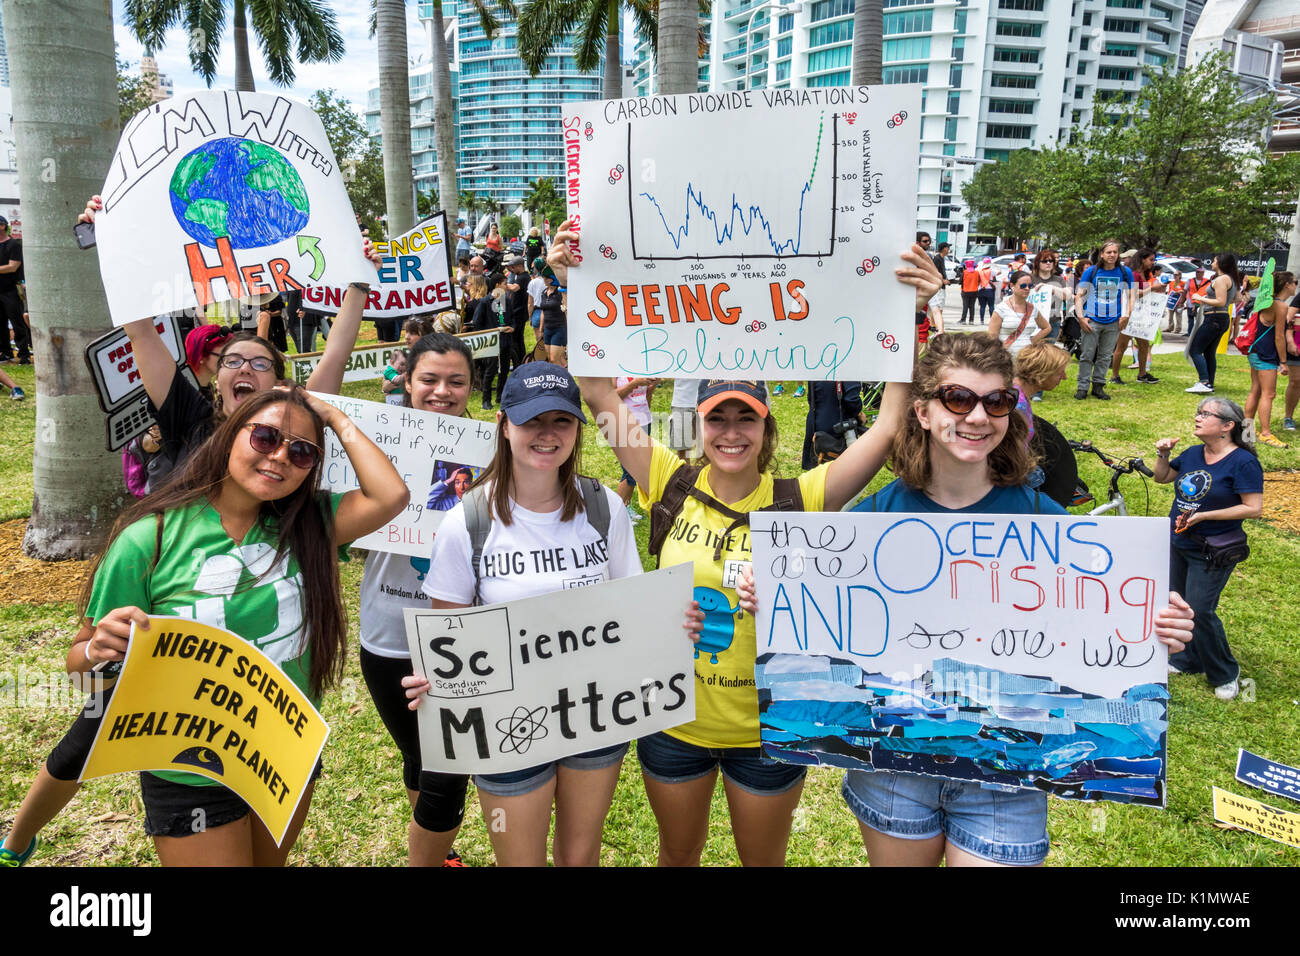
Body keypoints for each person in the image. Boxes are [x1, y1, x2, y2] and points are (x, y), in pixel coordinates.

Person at [562, 219, 943, 866]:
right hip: (672, 724)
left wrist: (911, 315)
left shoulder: (804, 497)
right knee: (676, 857)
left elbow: (886, 428)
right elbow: (597, 391)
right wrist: (576, 278)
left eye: (746, 417)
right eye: (718, 418)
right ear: (701, 425)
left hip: (765, 732)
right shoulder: (665, 478)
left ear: (766, 427)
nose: (731, 431)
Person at [738, 333, 1194, 867]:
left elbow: (1111, 616)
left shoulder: (1046, 521)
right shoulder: (873, 517)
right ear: (924, 412)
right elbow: (811, 593)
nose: (978, 416)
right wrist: (766, 587)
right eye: (959, 398)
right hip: (893, 766)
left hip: (1008, 773)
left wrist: (1161, 626)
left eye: (996, 401)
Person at [1, 387, 408, 867]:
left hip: (281, 749)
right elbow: (81, 675)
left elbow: (391, 494)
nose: (280, 457)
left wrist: (336, 418)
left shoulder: (309, 525)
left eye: (301, 452)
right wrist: (96, 653)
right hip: (187, 762)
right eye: (264, 437)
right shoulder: (148, 538)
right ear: (230, 436)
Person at [402, 363, 669, 867]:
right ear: (504, 424)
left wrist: (675, 625)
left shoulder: (604, 508)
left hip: (596, 714)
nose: (547, 435)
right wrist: (434, 682)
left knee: (580, 855)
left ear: (577, 430)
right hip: (506, 724)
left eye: (562, 421)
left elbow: (632, 609)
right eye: (532, 420)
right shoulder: (467, 521)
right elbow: (448, 639)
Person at [359, 333, 481, 867]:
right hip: (388, 632)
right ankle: (437, 854)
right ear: (405, 381)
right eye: (428, 379)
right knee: (422, 755)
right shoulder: (372, 444)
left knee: (451, 762)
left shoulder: (491, 447)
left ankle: (434, 854)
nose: (441, 391)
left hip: (461, 631)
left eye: (456, 381)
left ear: (472, 387)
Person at [1154, 397, 1261, 701]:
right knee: (1179, 605)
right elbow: (1162, 477)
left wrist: (1204, 515)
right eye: (1198, 412)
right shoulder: (1191, 454)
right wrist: (1164, 454)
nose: (1198, 417)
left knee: (1200, 610)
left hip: (1212, 548)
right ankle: (1188, 660)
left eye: (1206, 414)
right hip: (1179, 542)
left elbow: (1253, 508)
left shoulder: (1243, 462)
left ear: (1227, 426)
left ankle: (1226, 672)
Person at [1240, 270, 1295, 449]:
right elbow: (1279, 337)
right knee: (1268, 393)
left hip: (1256, 350)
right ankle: (1265, 433)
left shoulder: (1267, 301)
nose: (1296, 285)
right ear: (1287, 284)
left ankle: (1247, 430)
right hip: (1266, 353)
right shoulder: (1280, 306)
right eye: (1294, 282)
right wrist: (1284, 362)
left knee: (1256, 390)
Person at [1073, 240, 1132, 401]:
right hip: (1092, 319)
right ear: (1101, 254)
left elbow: (1131, 296)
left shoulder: (1125, 272)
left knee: (1106, 356)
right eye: (1108, 252)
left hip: (1113, 321)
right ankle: (1082, 387)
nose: (1112, 255)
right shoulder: (1091, 271)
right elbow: (1079, 295)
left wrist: (1126, 315)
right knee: (1087, 354)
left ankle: (1098, 386)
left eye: (1115, 252)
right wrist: (1080, 317)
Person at [1186, 253, 1241, 395]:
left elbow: (1221, 301)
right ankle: (1209, 382)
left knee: (1195, 350)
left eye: (1215, 260)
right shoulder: (1232, 279)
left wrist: (1200, 298)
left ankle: (1204, 382)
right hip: (1221, 318)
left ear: (1221, 263)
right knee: (1209, 353)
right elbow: (1237, 298)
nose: (1212, 262)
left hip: (1214, 318)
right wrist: (1209, 298)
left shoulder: (1222, 279)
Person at [1110, 248, 1160, 385]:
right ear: (1142, 259)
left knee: (1144, 345)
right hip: (1129, 314)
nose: (1152, 262)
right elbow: (1131, 295)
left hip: (1141, 314)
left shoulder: (1146, 274)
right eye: (1151, 259)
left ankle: (1142, 374)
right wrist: (1152, 289)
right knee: (1122, 345)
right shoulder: (1133, 274)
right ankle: (1114, 376)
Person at [614, 375, 659, 520]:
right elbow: (612, 395)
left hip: (644, 420)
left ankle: (625, 507)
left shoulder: (640, 365)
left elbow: (646, 397)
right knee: (630, 471)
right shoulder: (614, 367)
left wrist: (652, 385)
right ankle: (617, 513)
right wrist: (634, 383)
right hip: (624, 422)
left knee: (637, 468)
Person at [801, 380, 866, 470]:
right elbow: (852, 400)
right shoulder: (849, 366)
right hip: (839, 427)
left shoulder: (814, 366)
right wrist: (858, 413)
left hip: (816, 423)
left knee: (819, 477)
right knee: (848, 475)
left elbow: (811, 397)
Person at [988, 270, 1049, 357]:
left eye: (1030, 286)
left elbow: (1046, 328)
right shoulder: (1001, 309)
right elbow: (992, 337)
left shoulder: (1033, 309)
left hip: (1026, 358)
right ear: (1012, 286)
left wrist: (1031, 341)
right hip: (1006, 358)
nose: (1027, 288)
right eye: (1023, 285)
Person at [0, 216, 30, 364]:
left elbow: (13, 266)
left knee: (17, 322)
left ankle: (23, 354)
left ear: (2, 226)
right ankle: (6, 353)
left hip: (11, 290)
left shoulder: (14, 245)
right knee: (0, 324)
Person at [501, 254, 530, 379]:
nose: (511, 269)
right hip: (517, 312)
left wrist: (501, 285)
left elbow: (514, 288)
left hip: (519, 312)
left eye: (513, 267)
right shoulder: (519, 276)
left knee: (516, 339)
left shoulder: (523, 277)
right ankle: (520, 362)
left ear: (519, 266)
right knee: (518, 339)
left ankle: (519, 363)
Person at [535, 265, 566, 367]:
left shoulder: (560, 292)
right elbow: (543, 311)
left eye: (546, 278)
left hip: (559, 328)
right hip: (547, 328)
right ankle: (563, 376)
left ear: (552, 279)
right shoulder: (544, 292)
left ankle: (563, 380)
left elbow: (566, 308)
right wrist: (541, 328)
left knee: (554, 359)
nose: (544, 280)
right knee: (550, 358)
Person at [1285, 289, 1299, 431]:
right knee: (1295, 381)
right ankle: (1288, 417)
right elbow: (1289, 318)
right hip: (1297, 343)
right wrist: (1289, 340)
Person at [959, 259, 979, 325]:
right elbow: (979, 281)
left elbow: (960, 282)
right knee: (972, 306)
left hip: (965, 291)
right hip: (974, 291)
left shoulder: (964, 272)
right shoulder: (976, 273)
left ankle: (963, 320)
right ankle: (971, 320)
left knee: (965, 306)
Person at [977, 256, 996, 324]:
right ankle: (992, 320)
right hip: (990, 290)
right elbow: (999, 272)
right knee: (991, 306)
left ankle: (981, 320)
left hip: (981, 289)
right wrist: (995, 265)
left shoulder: (979, 271)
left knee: (982, 306)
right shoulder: (992, 271)